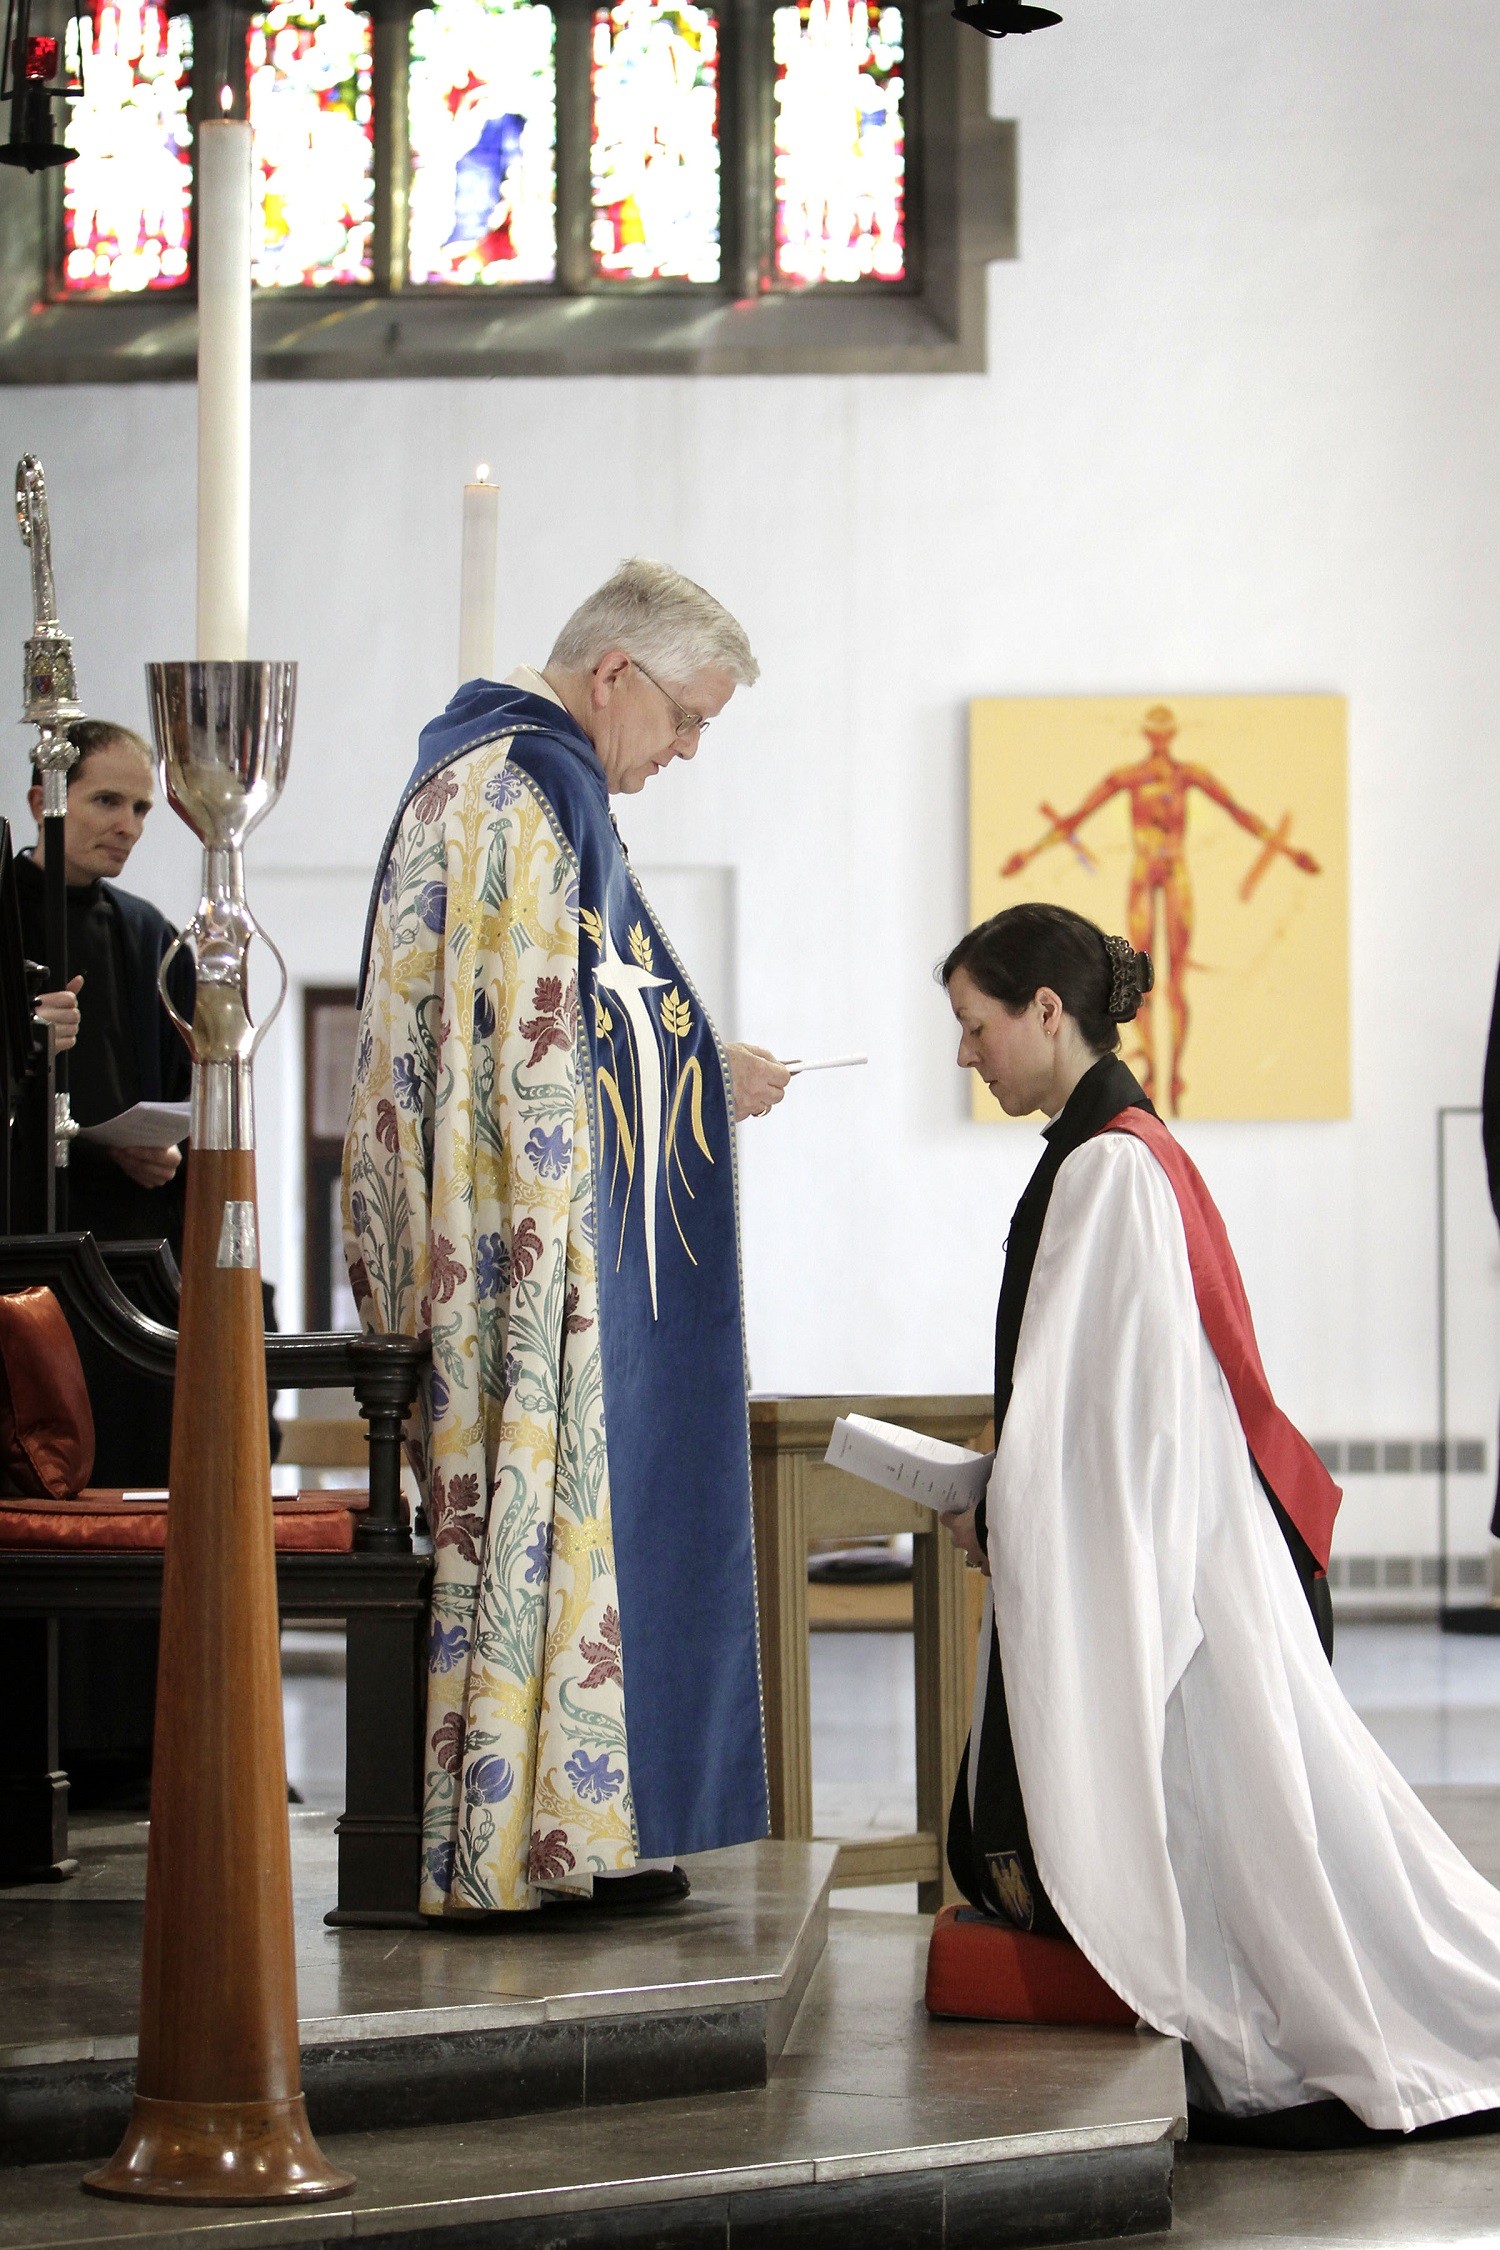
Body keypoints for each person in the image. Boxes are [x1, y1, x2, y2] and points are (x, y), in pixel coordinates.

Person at [939, 901, 1500, 2141]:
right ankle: (1247, 2047)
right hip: (1183, 1539)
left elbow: (1112, 1410)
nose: (966, 1056)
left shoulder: (1108, 1165)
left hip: (1177, 1558)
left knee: (1265, 1829)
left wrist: (1000, 1498)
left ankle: (1289, 2054)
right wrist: (1011, 1482)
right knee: (1259, 1826)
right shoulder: (1120, 1150)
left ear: (1047, 1010)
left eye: (978, 1026)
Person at [345, 559, 788, 1918]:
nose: (688, 749)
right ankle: (541, 1837)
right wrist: (706, 1076)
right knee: (566, 1488)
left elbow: (533, 1024)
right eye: (687, 717)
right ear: (614, 677)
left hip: (492, 1233)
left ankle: (557, 1826)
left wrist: (692, 1058)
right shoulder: (538, 794)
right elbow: (548, 1056)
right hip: (531, 1261)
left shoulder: (475, 777)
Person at [12, 720, 193, 1254]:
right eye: (108, 801)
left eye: (140, 809)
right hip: (17, 1225)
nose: (128, 827)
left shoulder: (149, 934)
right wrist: (24, 1037)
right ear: (43, 801)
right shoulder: (5, 912)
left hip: (126, 1239)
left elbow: (184, 1088)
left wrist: (163, 1150)